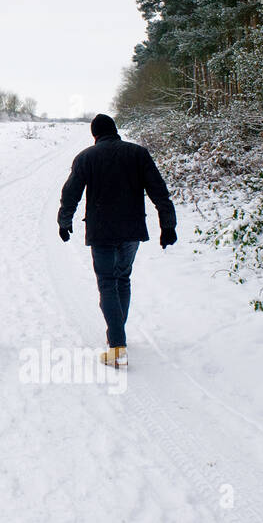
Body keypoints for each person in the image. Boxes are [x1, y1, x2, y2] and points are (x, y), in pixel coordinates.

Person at [57, 113, 176, 368]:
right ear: (115, 131)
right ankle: (118, 336)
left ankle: (117, 345)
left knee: (107, 283)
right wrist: (168, 225)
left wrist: (64, 221)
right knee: (123, 278)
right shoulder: (138, 154)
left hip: (101, 232)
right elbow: (158, 190)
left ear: (95, 135)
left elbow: (70, 193)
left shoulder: (86, 157)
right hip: (131, 230)